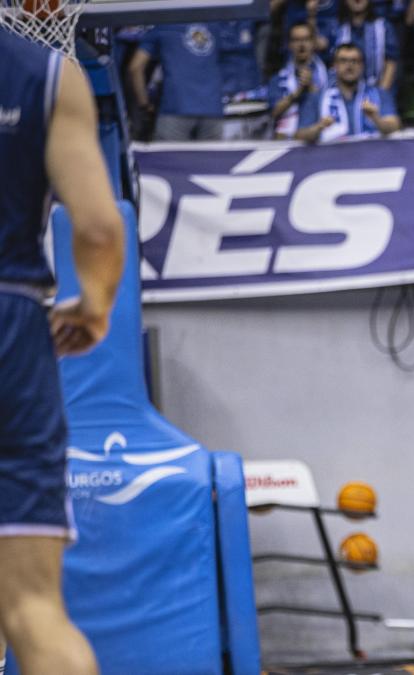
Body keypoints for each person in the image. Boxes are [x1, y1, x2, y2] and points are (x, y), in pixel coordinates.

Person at [1, 28, 125, 675]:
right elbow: (101, 228)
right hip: (14, 322)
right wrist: (96, 305)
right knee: (32, 607)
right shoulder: (47, 74)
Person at [127, 22, 226, 141]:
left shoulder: (163, 26)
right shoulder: (215, 26)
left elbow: (135, 67)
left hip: (174, 109)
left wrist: (144, 105)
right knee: (213, 159)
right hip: (213, 108)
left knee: (170, 159)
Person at [295, 42, 400, 142]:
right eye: (343, 61)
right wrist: (319, 127)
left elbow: (394, 126)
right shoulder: (318, 97)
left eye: (354, 61)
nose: (349, 66)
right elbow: (300, 135)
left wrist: (376, 118)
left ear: (362, 65)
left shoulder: (379, 94)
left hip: (372, 157)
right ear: (334, 65)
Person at [269, 22, 330, 138]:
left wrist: (311, 87)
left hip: (322, 136)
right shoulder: (278, 78)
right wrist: (299, 91)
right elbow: (274, 112)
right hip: (287, 140)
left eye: (306, 39)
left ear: (313, 42)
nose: (301, 44)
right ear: (289, 44)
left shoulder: (328, 73)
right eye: (296, 40)